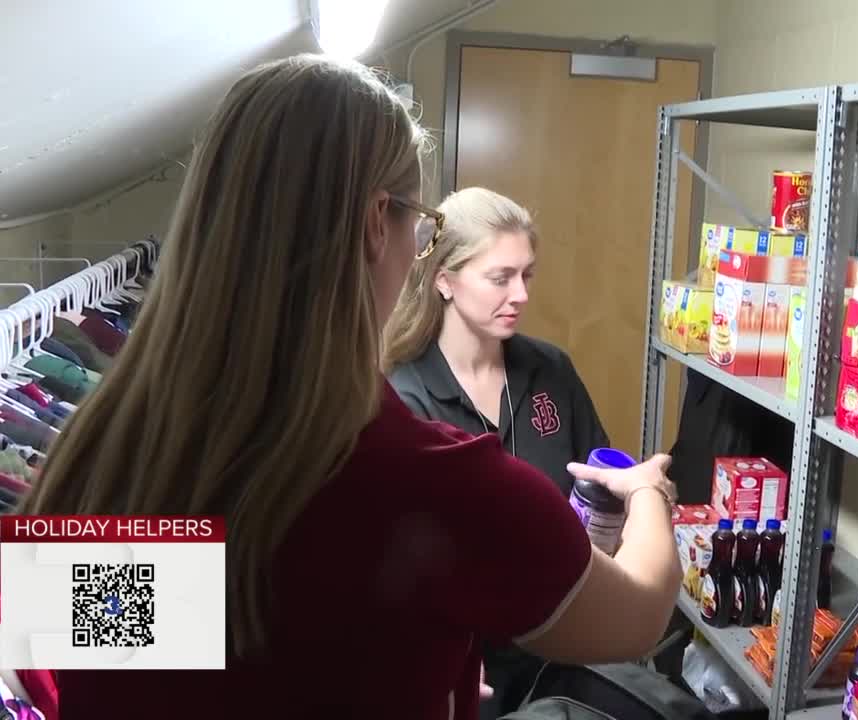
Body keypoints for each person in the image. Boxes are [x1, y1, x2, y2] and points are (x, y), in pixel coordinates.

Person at [19, 54, 680, 719]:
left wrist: (398, 658)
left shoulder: (108, 445)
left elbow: (115, 660)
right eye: (418, 227)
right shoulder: (434, 486)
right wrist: (648, 492)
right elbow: (638, 613)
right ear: (373, 224)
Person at [382, 187, 614, 717]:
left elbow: (599, 485)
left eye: (526, 274)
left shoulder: (551, 371)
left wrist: (633, 499)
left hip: (566, 650)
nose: (521, 294)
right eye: (499, 277)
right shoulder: (403, 397)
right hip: (468, 669)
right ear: (444, 279)